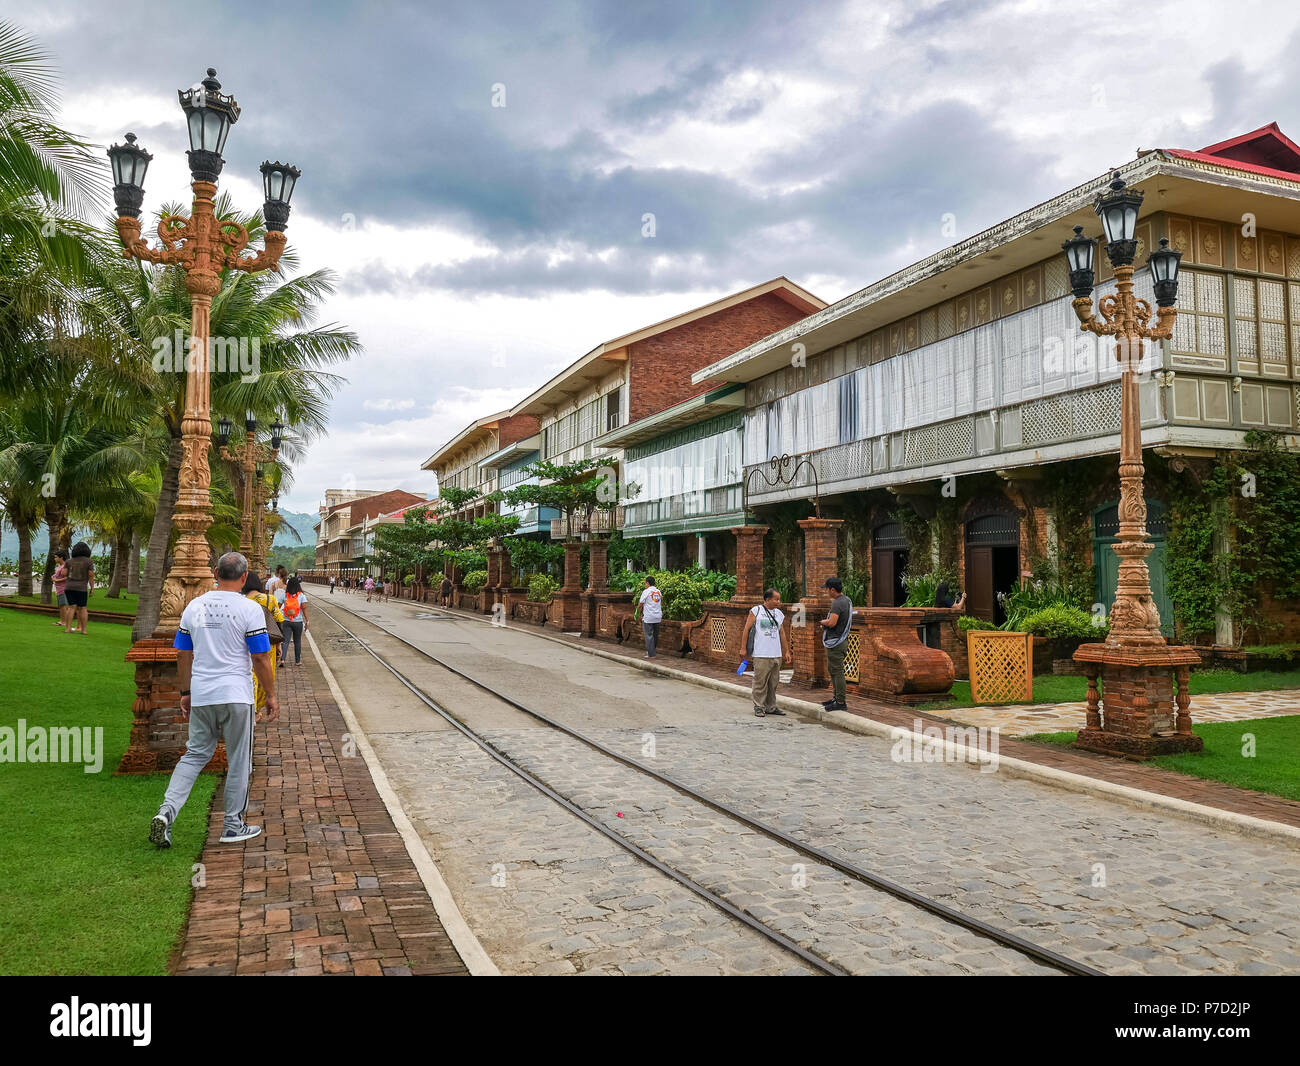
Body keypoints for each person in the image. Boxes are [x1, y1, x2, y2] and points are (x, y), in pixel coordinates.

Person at [149, 552, 278, 848]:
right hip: (236, 694)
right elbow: (259, 656)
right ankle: (233, 824)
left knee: (194, 755)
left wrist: (185, 692)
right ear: (244, 577)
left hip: (203, 693)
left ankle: (166, 813)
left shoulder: (194, 607)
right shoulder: (249, 609)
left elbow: (182, 653)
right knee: (239, 760)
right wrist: (270, 695)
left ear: (217, 574)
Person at [741, 588, 792, 718]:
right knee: (760, 682)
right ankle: (759, 706)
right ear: (768, 599)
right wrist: (743, 648)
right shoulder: (756, 611)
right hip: (761, 653)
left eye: (779, 599)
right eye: (776, 599)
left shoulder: (779, 614)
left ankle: (771, 707)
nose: (778, 602)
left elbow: (782, 633)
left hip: (775, 654)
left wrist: (786, 651)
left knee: (773, 682)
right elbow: (746, 629)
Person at [242, 572, 285, 698]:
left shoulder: (242, 600)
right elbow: (278, 621)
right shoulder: (269, 599)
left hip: (245, 643)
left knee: (250, 674)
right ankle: (256, 709)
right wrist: (278, 645)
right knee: (265, 673)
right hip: (267, 642)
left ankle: (251, 705)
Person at [819, 575, 853, 712]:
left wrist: (823, 622)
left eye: (827, 589)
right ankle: (836, 697)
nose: (827, 592)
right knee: (833, 671)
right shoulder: (847, 600)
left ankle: (840, 701)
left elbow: (832, 622)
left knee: (837, 672)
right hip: (840, 641)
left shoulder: (838, 603)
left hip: (836, 642)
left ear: (833, 589)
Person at [63, 542, 95, 635]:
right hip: (81, 588)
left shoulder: (69, 561)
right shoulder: (89, 561)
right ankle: (84, 630)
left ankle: (68, 629)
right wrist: (92, 588)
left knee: (71, 607)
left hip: (69, 587)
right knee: (83, 608)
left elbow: (64, 573)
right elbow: (91, 576)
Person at [281, 577, 309, 666]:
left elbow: (277, 607)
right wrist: (307, 620)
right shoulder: (301, 596)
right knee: (297, 641)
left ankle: (282, 659)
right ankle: (297, 661)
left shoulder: (285, 595)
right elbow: (304, 609)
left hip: (286, 621)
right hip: (298, 622)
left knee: (285, 641)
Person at [634, 575, 662, 659]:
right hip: (657, 616)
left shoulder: (646, 592)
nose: (645, 585)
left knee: (649, 635)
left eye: (645, 583)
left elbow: (641, 604)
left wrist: (637, 613)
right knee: (655, 635)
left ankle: (651, 654)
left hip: (649, 617)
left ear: (647, 583)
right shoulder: (658, 592)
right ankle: (652, 650)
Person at [51, 551, 69, 628]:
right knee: (61, 605)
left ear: (61, 558)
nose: (55, 559)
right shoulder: (59, 566)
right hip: (59, 589)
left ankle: (64, 622)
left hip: (63, 588)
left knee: (63, 605)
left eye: (56, 557)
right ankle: (62, 621)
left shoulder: (65, 566)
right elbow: (58, 575)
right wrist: (53, 577)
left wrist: (57, 580)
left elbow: (68, 577)